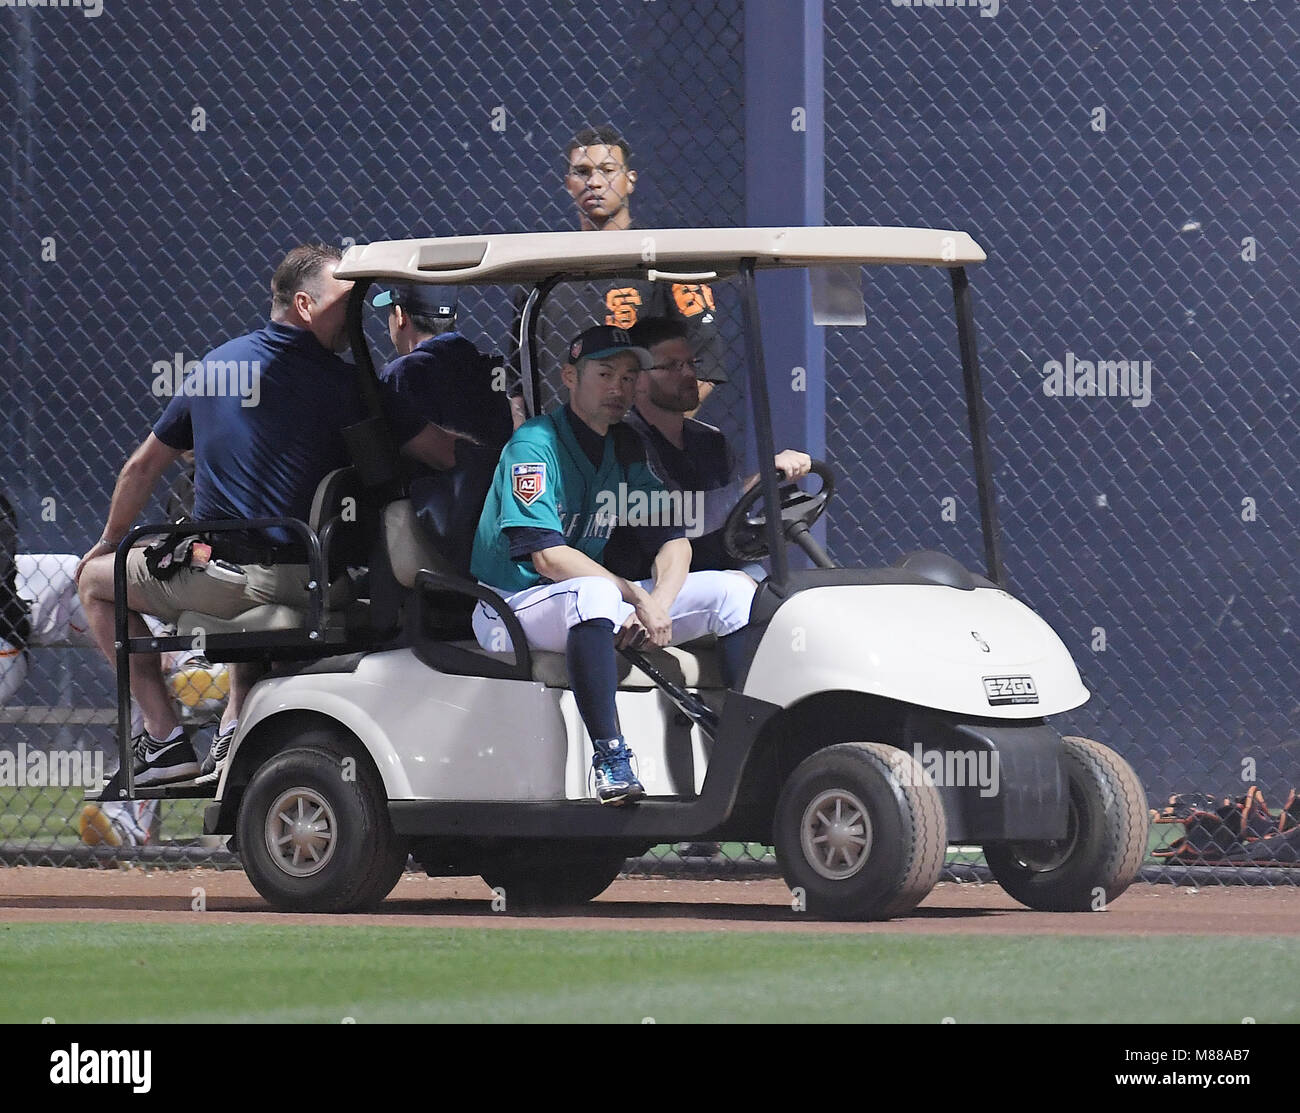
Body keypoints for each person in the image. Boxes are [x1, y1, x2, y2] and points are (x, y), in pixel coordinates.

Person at [75, 243, 365, 792]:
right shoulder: (352, 382)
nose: (356, 312)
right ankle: (233, 724)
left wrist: (109, 543)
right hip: (324, 580)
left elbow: (140, 470)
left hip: (238, 580)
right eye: (345, 300)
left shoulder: (217, 368)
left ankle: (162, 738)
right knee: (228, 560)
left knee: (94, 582)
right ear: (305, 305)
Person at [470, 325, 756, 805]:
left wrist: (659, 605)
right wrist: (637, 596)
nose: (618, 388)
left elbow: (674, 539)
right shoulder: (534, 445)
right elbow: (547, 556)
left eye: (627, 377)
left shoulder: (623, 446)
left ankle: (747, 750)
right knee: (596, 592)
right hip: (510, 606)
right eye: (604, 374)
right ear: (569, 377)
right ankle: (611, 758)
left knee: (734, 589)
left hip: (584, 604)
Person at [509, 125, 727, 426]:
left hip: (637, 452)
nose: (595, 182)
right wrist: (528, 441)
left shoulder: (667, 261)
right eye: (582, 172)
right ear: (568, 184)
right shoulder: (543, 273)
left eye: (608, 170)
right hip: (556, 447)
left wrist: (649, 436)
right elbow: (517, 382)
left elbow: (707, 365)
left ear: (630, 180)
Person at [604, 316, 812, 578]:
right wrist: (761, 479)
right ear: (637, 380)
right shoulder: (621, 443)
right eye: (672, 366)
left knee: (777, 589)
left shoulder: (711, 440)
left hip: (715, 579)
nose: (690, 374)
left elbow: (734, 525)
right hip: (651, 584)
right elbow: (677, 519)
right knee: (734, 589)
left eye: (691, 363)